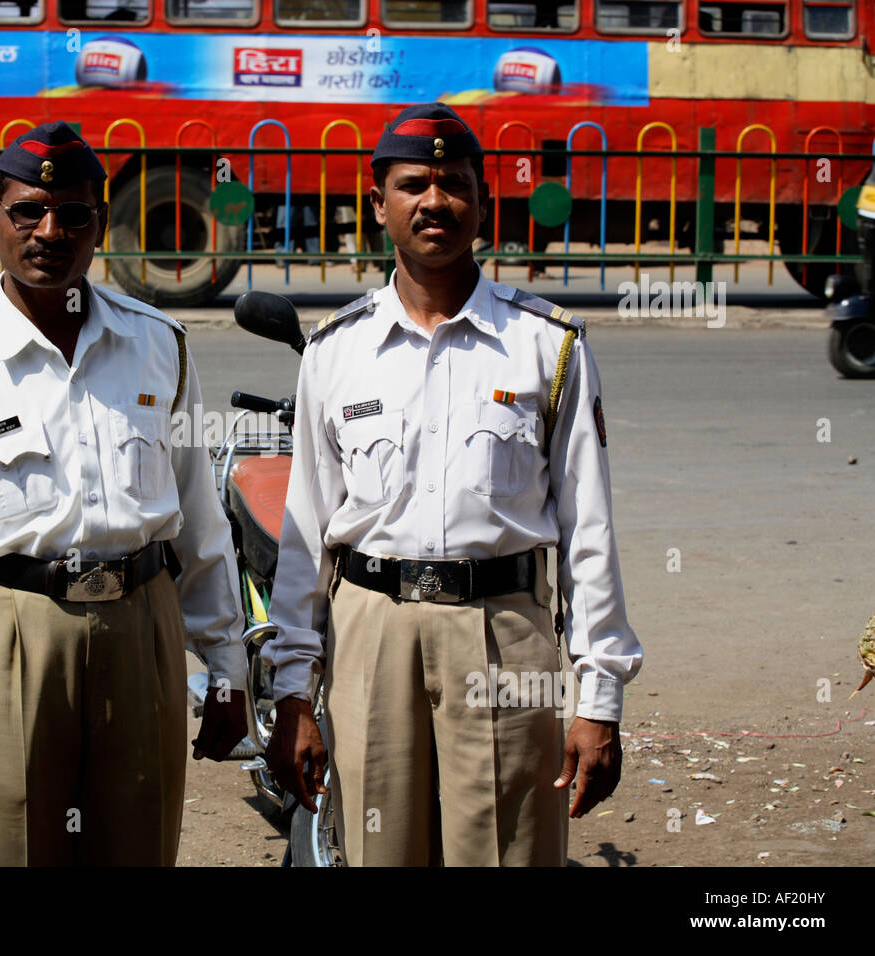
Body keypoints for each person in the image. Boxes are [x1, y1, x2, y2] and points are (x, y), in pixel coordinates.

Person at [263, 103, 644, 866]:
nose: (434, 202)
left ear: (481, 202)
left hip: (502, 631)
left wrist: (599, 700)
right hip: (371, 632)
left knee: (508, 851)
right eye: (413, 185)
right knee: (378, 847)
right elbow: (306, 534)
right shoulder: (335, 352)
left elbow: (589, 533)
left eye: (455, 185)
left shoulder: (546, 345)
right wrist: (292, 691)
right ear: (379, 204)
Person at [0, 121, 248, 866]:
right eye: (28, 212)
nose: (50, 231)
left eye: (74, 213)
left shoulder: (157, 343)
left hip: (143, 627)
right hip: (6, 630)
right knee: (14, 851)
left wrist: (227, 670)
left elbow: (201, 529)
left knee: (140, 846)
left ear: (101, 224)